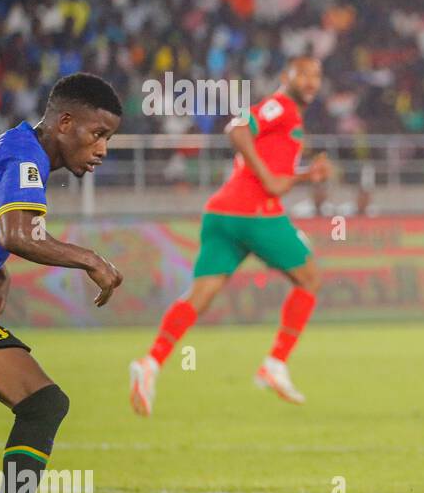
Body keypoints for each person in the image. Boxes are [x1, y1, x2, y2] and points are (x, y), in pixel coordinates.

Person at [129, 58, 331, 414]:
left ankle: (150, 363)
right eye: (304, 74)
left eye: (317, 75)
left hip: (222, 213)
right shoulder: (280, 105)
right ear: (286, 76)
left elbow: (273, 172)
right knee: (310, 277)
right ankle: (275, 364)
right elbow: (237, 129)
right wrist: (270, 179)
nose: (312, 81)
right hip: (254, 213)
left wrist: (303, 175)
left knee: (200, 295)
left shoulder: (290, 118)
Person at [0, 73, 123, 493]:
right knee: (42, 402)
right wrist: (89, 259)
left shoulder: (14, 147)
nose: (103, 148)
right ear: (65, 121)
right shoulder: (24, 155)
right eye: (98, 133)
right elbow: (19, 233)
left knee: (43, 402)